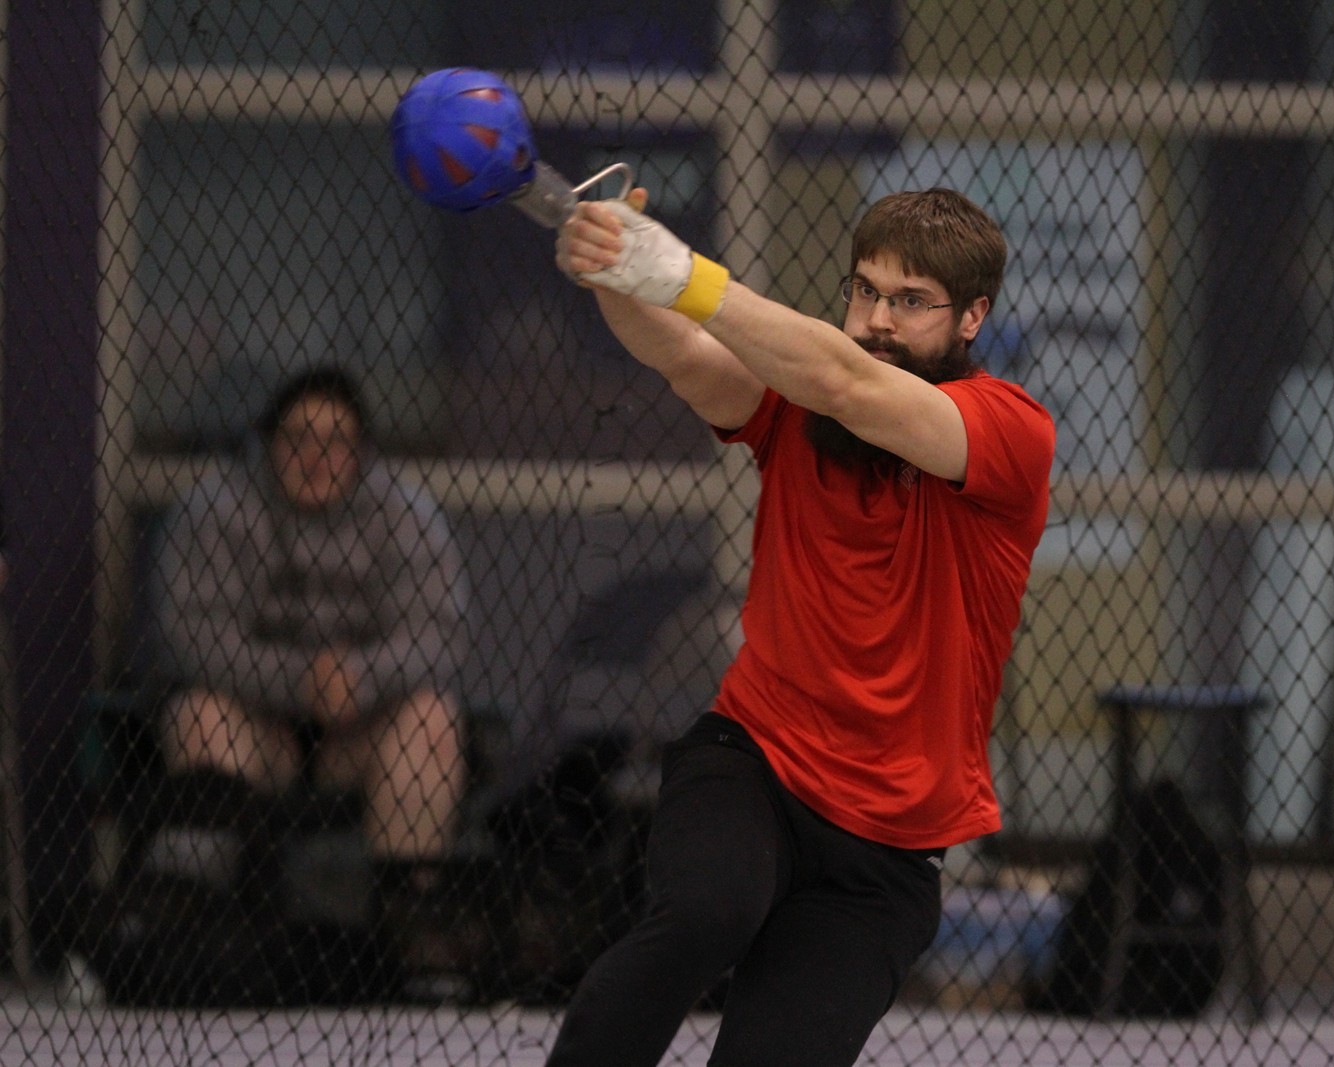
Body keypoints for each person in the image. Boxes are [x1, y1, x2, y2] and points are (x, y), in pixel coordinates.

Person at [547, 187, 1054, 1066]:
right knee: (705, 912)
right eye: (864, 292)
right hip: (754, 763)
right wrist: (617, 279)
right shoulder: (797, 403)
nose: (878, 320)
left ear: (973, 316)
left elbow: (847, 382)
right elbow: (687, 355)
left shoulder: (1010, 431)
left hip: (887, 853)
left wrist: (681, 272)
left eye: (910, 301)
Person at [151, 365, 471, 991]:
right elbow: (190, 636)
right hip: (256, 726)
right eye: (297, 437)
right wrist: (300, 680)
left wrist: (360, 678)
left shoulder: (406, 513)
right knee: (200, 715)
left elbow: (441, 632)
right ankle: (191, 920)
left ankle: (409, 922)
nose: (316, 456)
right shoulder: (215, 509)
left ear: (362, 451)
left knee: (433, 720)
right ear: (268, 443)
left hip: (360, 733)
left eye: (336, 441)